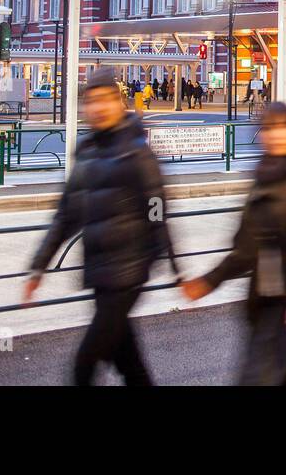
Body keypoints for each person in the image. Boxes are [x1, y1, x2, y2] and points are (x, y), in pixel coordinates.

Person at [24, 68, 177, 385]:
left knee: (86, 362)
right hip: (97, 270)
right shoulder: (86, 151)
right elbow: (66, 214)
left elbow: (157, 210)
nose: (99, 107)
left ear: (120, 103)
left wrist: (173, 266)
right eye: (91, 101)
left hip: (128, 274)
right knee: (127, 361)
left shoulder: (137, 152)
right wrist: (39, 265)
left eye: (106, 99)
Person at [182, 103, 286, 385]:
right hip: (267, 305)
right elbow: (247, 248)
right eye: (270, 128)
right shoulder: (261, 180)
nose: (277, 135)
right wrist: (209, 281)